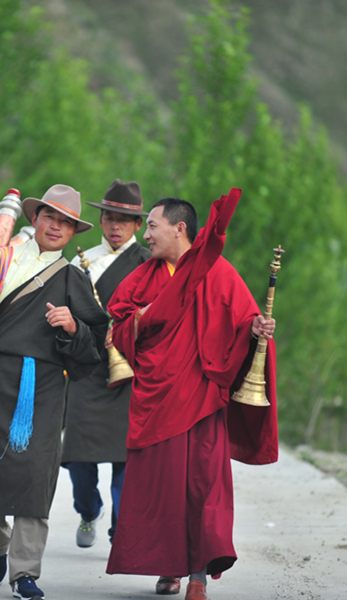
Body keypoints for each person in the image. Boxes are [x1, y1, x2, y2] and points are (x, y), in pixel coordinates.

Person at [0, 184, 109, 600]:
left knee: (34, 479)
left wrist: (74, 328)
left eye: (66, 223)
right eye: (51, 217)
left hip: (43, 388)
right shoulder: (3, 261)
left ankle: (25, 572)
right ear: (36, 219)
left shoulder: (72, 277)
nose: (57, 227)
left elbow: (96, 344)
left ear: (72, 233)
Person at [105, 192, 279, 600]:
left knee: (204, 486)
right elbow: (120, 325)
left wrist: (256, 329)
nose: (145, 234)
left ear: (179, 228)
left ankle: (198, 575)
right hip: (158, 399)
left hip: (202, 400)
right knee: (161, 487)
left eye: (152, 225)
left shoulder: (217, 272)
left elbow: (243, 319)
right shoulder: (144, 276)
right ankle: (169, 568)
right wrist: (144, 317)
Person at [62, 179, 151, 548]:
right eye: (110, 218)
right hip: (87, 369)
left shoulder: (150, 263)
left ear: (138, 226)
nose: (116, 226)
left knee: (125, 465)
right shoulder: (79, 264)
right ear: (101, 221)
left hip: (131, 372)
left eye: (124, 220)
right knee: (79, 461)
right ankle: (88, 510)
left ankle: (120, 530)